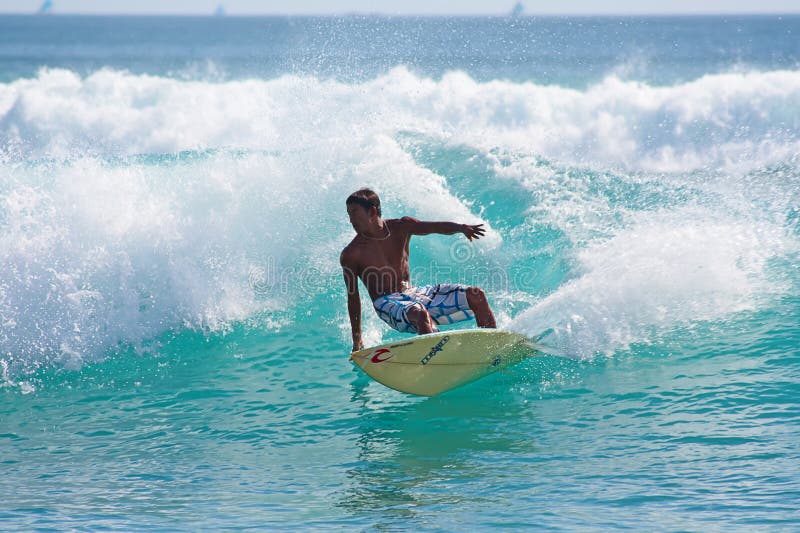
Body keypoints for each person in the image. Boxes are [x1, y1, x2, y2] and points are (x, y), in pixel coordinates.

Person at [340, 188, 496, 352]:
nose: (351, 220)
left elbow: (434, 227)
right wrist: (357, 342)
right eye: (349, 214)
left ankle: (493, 349)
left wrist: (461, 228)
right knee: (419, 313)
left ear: (372, 211)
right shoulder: (351, 254)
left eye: (354, 213)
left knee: (476, 295)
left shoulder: (401, 227)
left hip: (414, 294)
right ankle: (434, 361)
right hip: (385, 303)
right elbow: (353, 299)